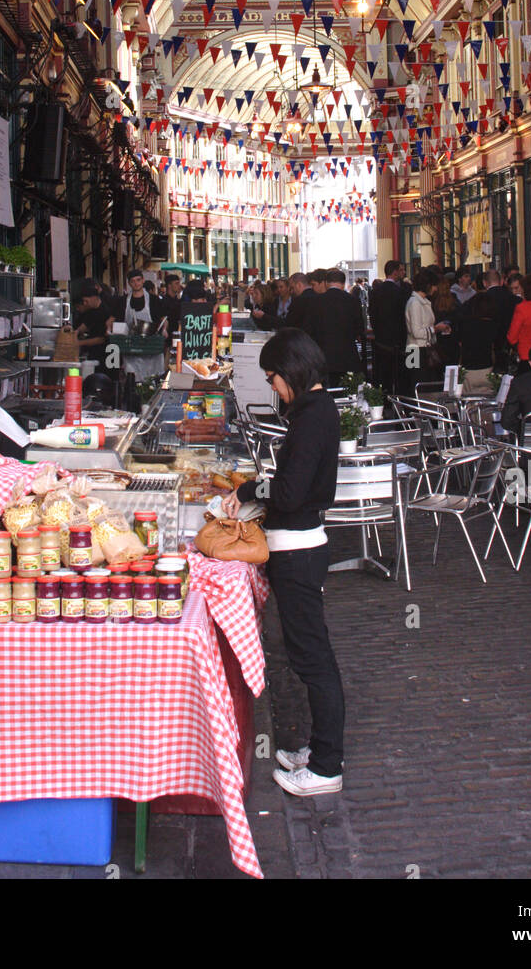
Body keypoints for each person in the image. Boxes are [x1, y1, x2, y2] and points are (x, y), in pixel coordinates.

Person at [221, 328, 344, 797]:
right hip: (301, 543)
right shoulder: (317, 409)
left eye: (273, 376)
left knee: (312, 660)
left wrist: (251, 490)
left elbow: (291, 490)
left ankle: (327, 766)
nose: (272, 385)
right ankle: (319, 749)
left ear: (291, 370)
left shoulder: (311, 416)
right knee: (309, 654)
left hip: (298, 549)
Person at [305, 269, 364, 386]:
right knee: (349, 394)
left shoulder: (316, 302)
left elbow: (310, 330)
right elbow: (359, 330)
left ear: (326, 283)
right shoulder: (353, 301)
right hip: (348, 357)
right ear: (343, 283)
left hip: (324, 358)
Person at [116, 270, 166, 383]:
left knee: (153, 382)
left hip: (152, 348)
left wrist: (165, 330)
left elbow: (163, 319)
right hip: (132, 349)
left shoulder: (154, 300)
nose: (136, 283)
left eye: (138, 280)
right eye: (132, 281)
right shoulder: (123, 301)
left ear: (143, 280)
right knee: (133, 382)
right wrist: (110, 330)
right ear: (129, 283)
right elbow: (113, 320)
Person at [368, 260, 409, 392]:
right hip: (402, 342)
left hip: (381, 341)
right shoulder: (401, 292)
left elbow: (372, 314)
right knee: (402, 372)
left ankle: (384, 397)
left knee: (384, 373)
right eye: (401, 270)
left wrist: (377, 332)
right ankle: (401, 397)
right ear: (395, 272)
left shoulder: (375, 291)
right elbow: (404, 316)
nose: (403, 273)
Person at [404, 268, 439, 394]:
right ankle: (417, 409)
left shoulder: (420, 302)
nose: (436, 289)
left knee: (419, 383)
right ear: (428, 285)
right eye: (434, 285)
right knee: (418, 384)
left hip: (414, 348)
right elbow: (416, 332)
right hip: (417, 349)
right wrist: (435, 329)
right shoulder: (415, 303)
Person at [457, 291, 498, 396]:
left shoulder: (466, 325)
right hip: (487, 369)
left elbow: (461, 346)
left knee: (468, 403)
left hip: (468, 370)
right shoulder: (493, 326)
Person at [74, 280, 112, 371]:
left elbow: (101, 339)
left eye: (86, 301)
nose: (85, 304)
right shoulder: (91, 311)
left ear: (94, 298)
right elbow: (84, 326)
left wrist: (78, 343)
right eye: (84, 301)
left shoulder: (105, 311)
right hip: (93, 353)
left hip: (106, 355)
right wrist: (75, 332)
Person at [161, 273, 184, 340]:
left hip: (177, 336)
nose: (179, 285)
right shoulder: (164, 302)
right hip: (167, 336)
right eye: (176, 283)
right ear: (169, 285)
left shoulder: (178, 301)